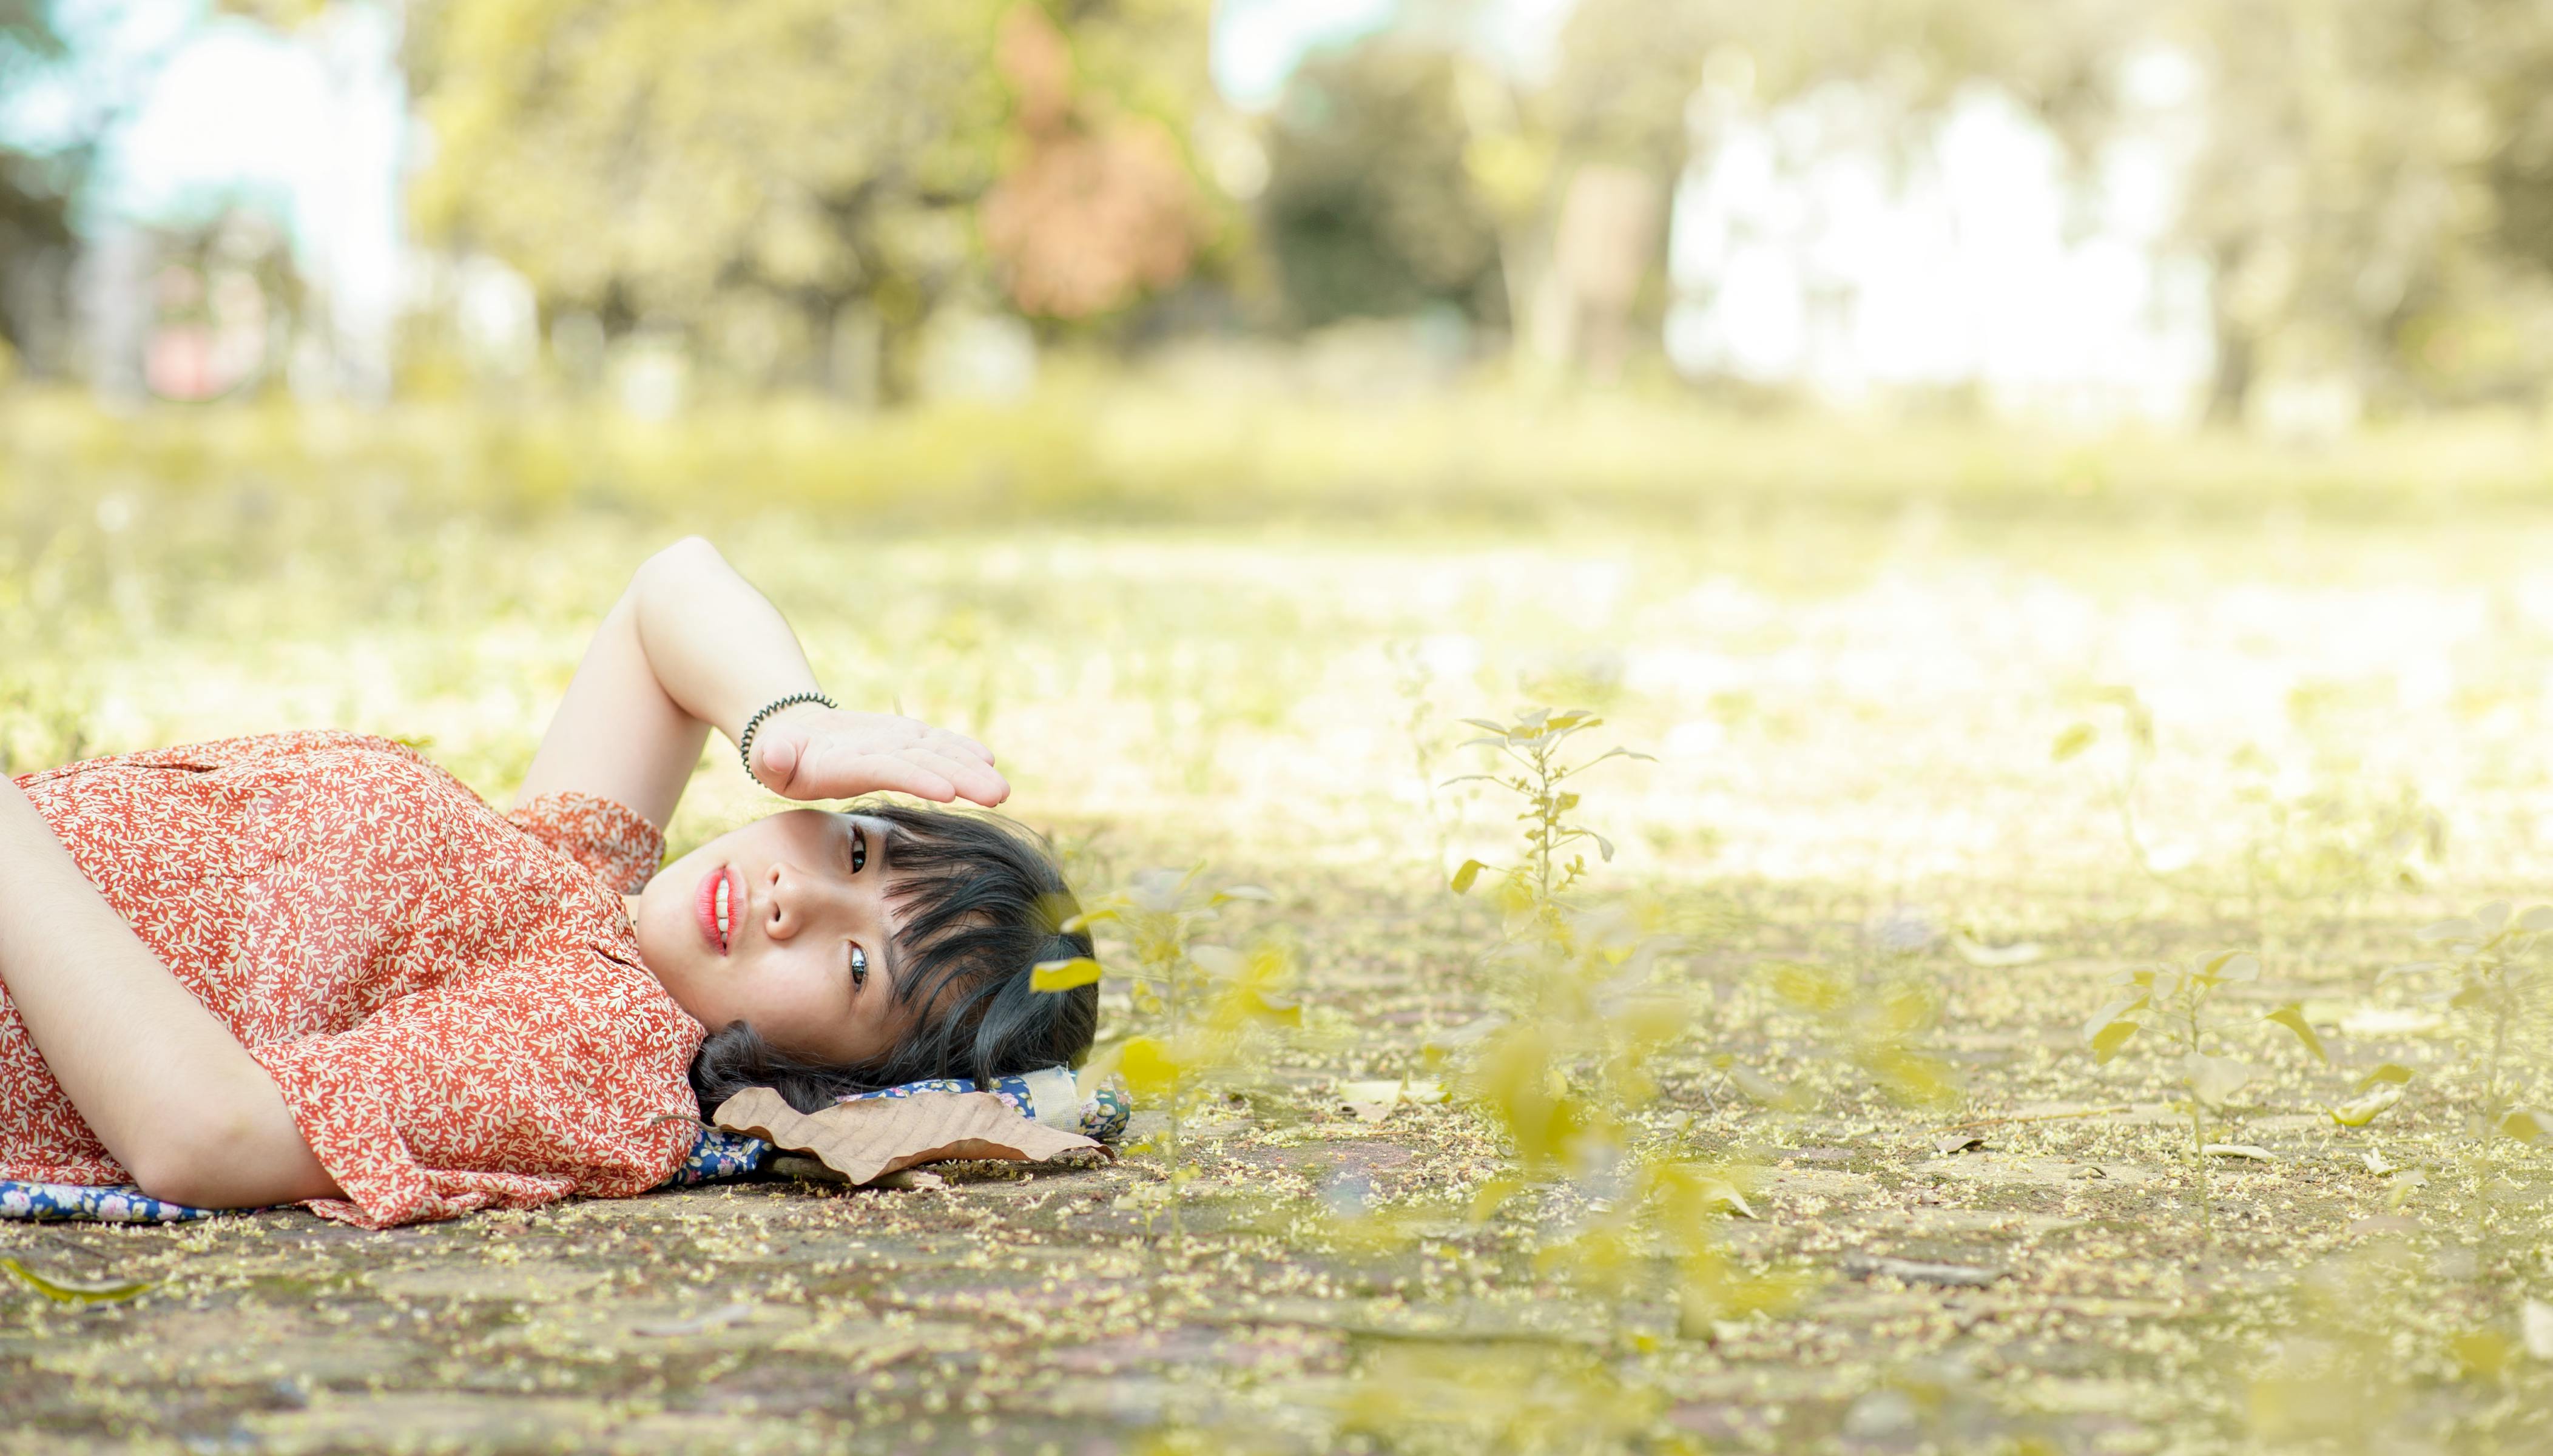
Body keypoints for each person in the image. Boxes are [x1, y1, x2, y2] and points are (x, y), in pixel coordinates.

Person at [0, 537, 1097, 1227]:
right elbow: (671, 592)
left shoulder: (605, 1050)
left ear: (838, 1082)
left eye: (857, 967)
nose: (792, 900)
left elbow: (207, 1134)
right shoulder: (584, 882)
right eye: (856, 850)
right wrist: (794, 727)